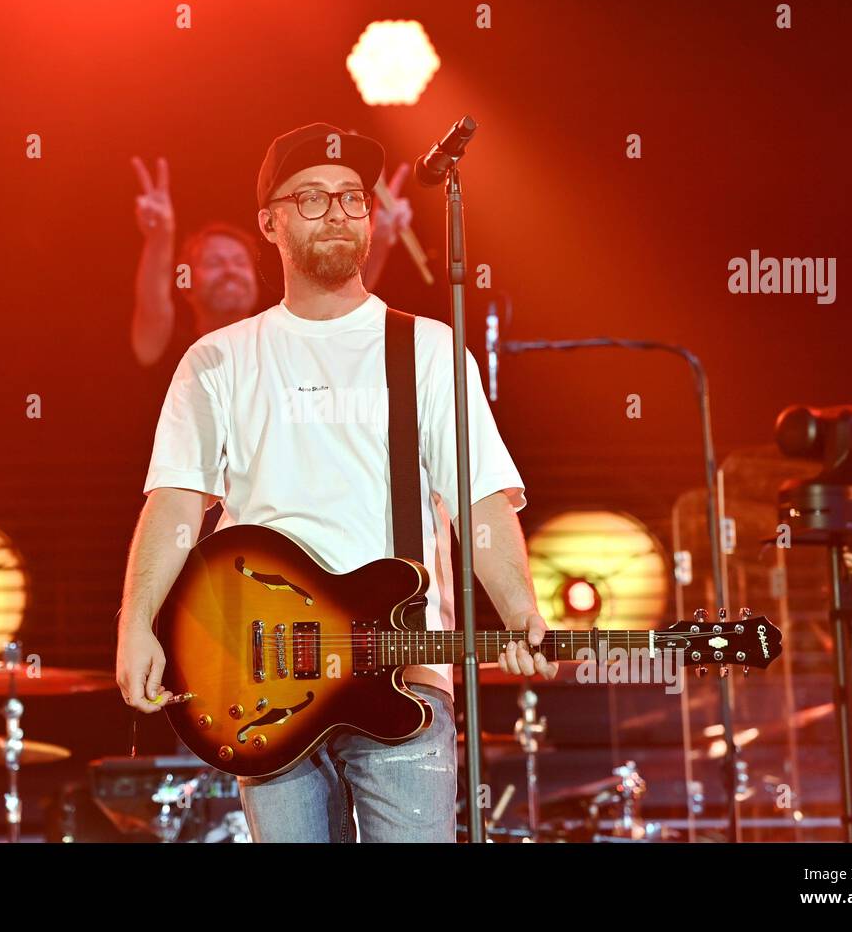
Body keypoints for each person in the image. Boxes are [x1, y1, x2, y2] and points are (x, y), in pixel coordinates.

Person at [116, 122, 554, 843]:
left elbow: (480, 500)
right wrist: (137, 623)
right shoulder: (220, 358)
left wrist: (518, 608)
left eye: (352, 198)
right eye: (312, 199)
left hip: (405, 675)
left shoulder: (428, 349)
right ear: (271, 222)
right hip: (260, 681)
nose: (338, 213)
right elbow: (176, 501)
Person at [128, 154, 414, 369]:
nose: (230, 270)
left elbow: (341, 295)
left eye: (240, 262)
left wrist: (381, 236)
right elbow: (154, 309)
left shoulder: (283, 341)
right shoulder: (170, 347)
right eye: (214, 262)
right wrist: (160, 237)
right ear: (188, 284)